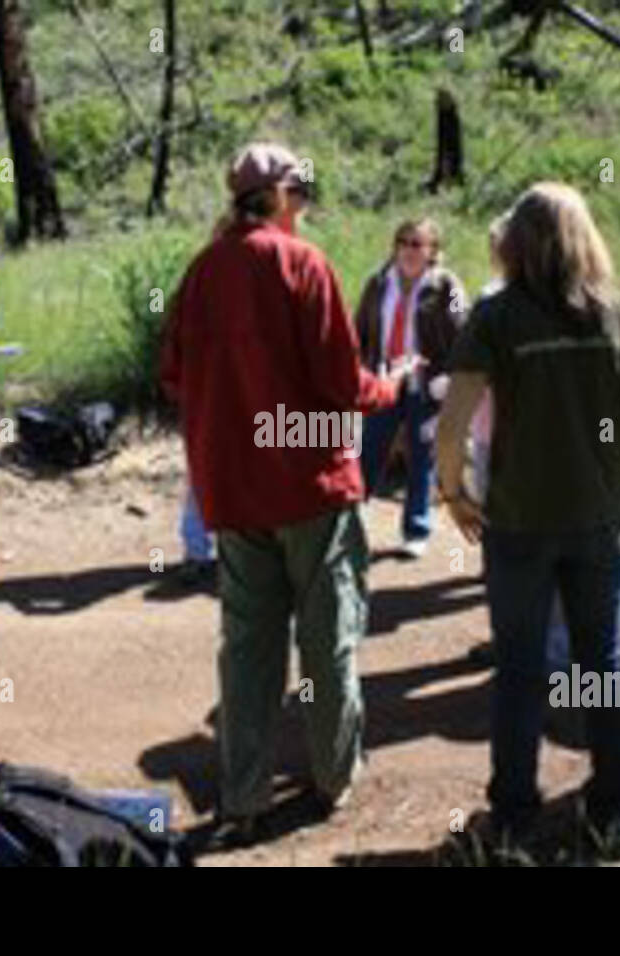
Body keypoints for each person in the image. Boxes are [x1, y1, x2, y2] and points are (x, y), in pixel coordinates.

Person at [160, 142, 404, 846]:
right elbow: (340, 385)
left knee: (247, 648)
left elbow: (173, 376)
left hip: (233, 489)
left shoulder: (202, 271)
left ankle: (243, 795)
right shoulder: (302, 263)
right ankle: (332, 777)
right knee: (328, 639)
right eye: (298, 192)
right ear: (272, 197)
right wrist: (391, 386)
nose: (304, 205)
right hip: (310, 484)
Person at [435, 182, 620, 860]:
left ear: (516, 242)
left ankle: (514, 820)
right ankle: (614, 819)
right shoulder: (617, 315)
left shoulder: (495, 318)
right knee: (602, 665)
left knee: (520, 672)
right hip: (598, 522)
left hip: (518, 522)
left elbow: (451, 429)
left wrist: (454, 494)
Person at [465, 214, 570, 675]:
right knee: (506, 550)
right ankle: (516, 641)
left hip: (524, 445)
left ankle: (551, 651)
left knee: (532, 551)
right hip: (497, 440)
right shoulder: (492, 301)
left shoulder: (554, 304)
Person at [355, 218, 468, 558]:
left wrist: (449, 378)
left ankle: (415, 531)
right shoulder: (377, 282)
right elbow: (360, 331)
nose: (408, 250)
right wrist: (360, 371)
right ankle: (350, 523)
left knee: (423, 457)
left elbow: (466, 330)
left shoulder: (448, 287)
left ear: (433, 250)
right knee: (369, 452)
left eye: (417, 244)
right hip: (383, 380)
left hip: (426, 384)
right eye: (402, 242)